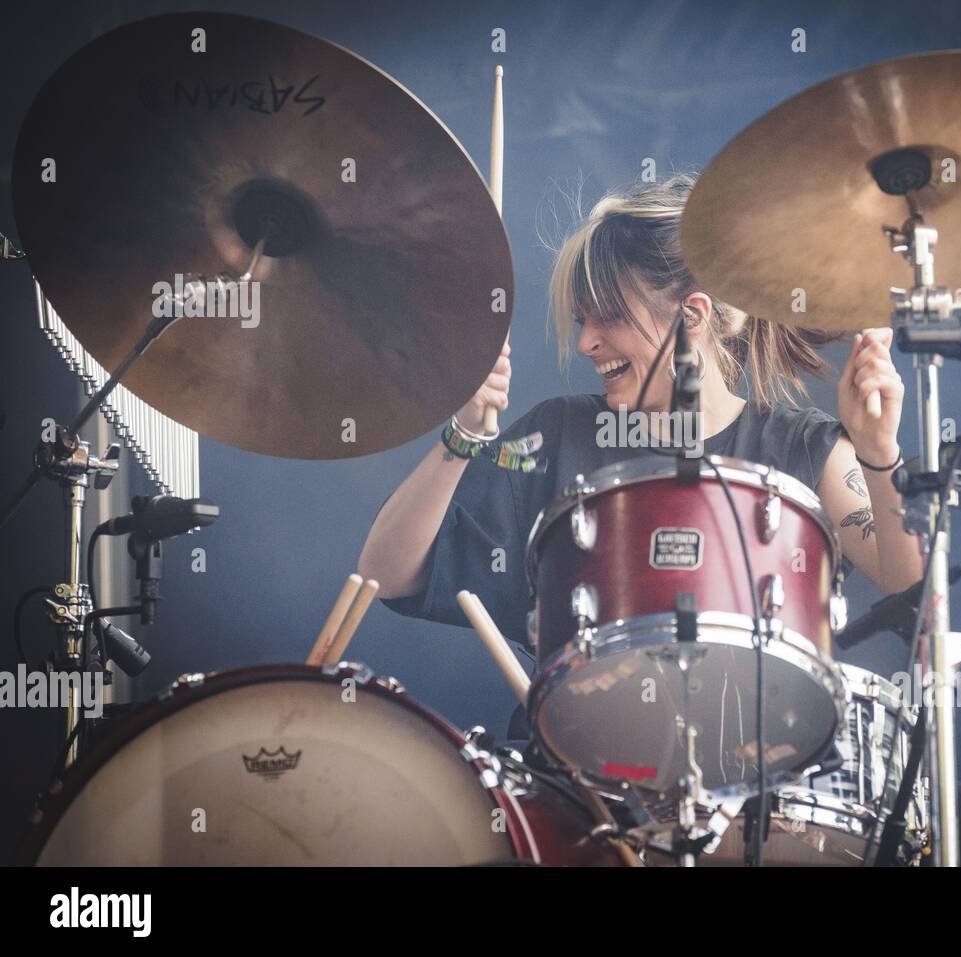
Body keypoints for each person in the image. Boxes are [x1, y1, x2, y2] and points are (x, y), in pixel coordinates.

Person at [359, 173, 924, 649]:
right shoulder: (556, 437)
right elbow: (384, 575)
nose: (586, 343)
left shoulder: (804, 448)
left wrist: (878, 455)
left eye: (608, 316)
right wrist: (461, 436)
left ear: (692, 317)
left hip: (760, 766)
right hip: (571, 773)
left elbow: (920, 605)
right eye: (583, 321)